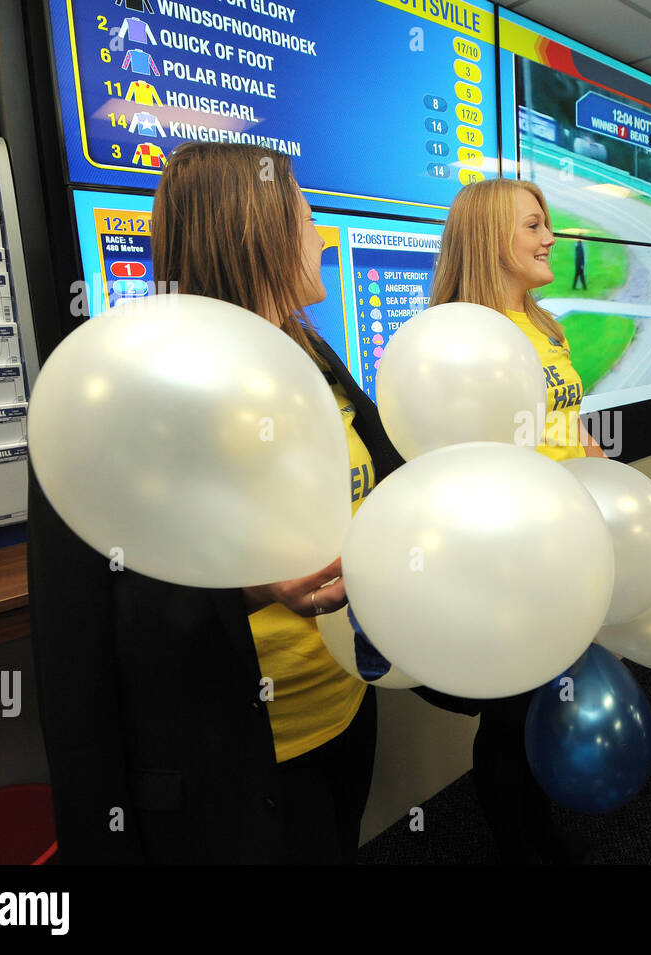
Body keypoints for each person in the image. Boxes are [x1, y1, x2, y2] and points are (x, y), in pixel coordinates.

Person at [28, 143, 404, 863]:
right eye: (306, 213)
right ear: (253, 229)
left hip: (341, 716)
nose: (322, 234)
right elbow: (80, 653)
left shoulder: (316, 362)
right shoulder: (123, 395)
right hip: (221, 769)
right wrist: (247, 589)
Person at [419, 177, 603, 863]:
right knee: (510, 710)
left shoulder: (544, 324)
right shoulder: (463, 338)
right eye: (533, 225)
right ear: (490, 237)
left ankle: (539, 830)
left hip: (562, 541)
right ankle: (520, 844)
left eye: (546, 223)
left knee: (546, 699)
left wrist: (591, 460)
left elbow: (563, 418)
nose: (550, 236)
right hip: (506, 554)